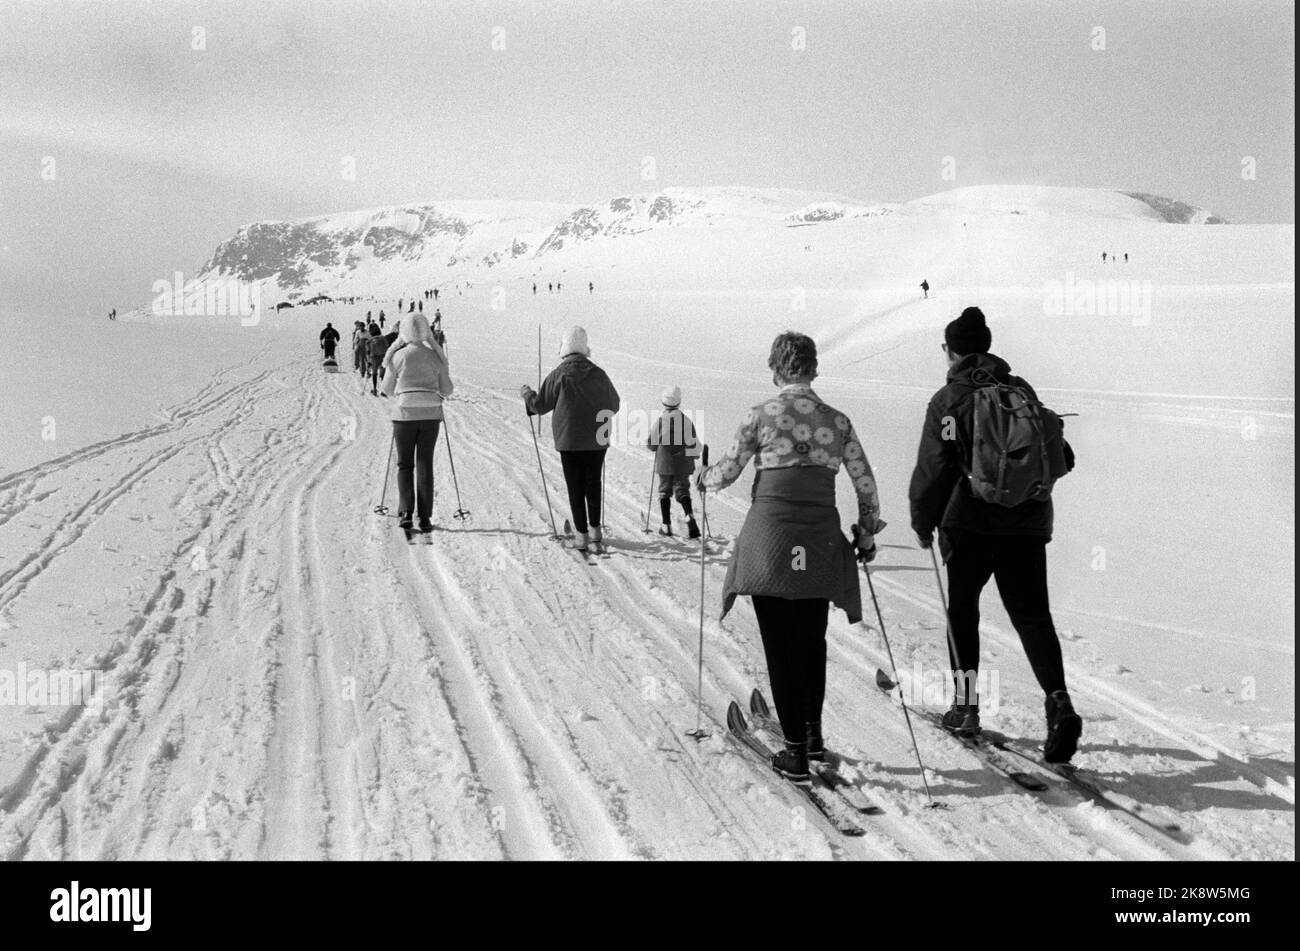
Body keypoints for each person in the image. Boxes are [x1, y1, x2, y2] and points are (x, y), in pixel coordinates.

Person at [696, 332, 884, 780]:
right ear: (814, 368)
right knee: (811, 640)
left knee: (779, 645)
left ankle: (795, 751)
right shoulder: (837, 421)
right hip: (817, 542)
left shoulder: (760, 415)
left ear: (776, 370)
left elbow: (726, 471)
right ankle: (813, 735)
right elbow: (865, 484)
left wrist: (702, 477)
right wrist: (866, 533)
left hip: (771, 542)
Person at [908, 306, 1081, 762]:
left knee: (963, 612)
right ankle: (1059, 702)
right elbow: (1061, 454)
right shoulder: (1018, 389)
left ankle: (965, 706)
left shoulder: (949, 401)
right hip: (1026, 523)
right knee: (1032, 616)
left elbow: (936, 467)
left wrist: (922, 519)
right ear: (986, 348)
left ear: (952, 351)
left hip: (969, 524)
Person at [520, 327, 621, 553]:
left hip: (570, 440)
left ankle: (581, 536)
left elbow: (540, 406)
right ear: (584, 347)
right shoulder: (599, 374)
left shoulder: (559, 374)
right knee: (593, 483)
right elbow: (614, 404)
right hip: (597, 439)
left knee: (575, 486)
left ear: (565, 347)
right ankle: (595, 532)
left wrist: (527, 395)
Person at [380, 313, 453, 533]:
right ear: (425, 331)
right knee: (424, 463)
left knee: (404, 464)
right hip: (431, 414)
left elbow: (387, 389)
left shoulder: (398, 356)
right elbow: (447, 389)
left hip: (404, 414)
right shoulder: (435, 356)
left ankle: (405, 512)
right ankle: (425, 517)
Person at [647, 386, 701, 538]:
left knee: (664, 491)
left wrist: (655, 446)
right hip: (683, 463)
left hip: (664, 463)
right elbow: (694, 445)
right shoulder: (686, 421)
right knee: (682, 490)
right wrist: (693, 457)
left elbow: (651, 444)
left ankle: (666, 526)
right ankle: (689, 516)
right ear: (679, 401)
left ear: (663, 402)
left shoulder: (660, 421)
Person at [366, 324, 387, 395]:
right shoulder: (383, 338)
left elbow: (368, 352)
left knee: (374, 373)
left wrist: (369, 362)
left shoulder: (369, 341)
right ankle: (384, 391)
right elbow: (387, 346)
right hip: (383, 356)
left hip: (374, 357)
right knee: (383, 374)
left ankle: (375, 389)